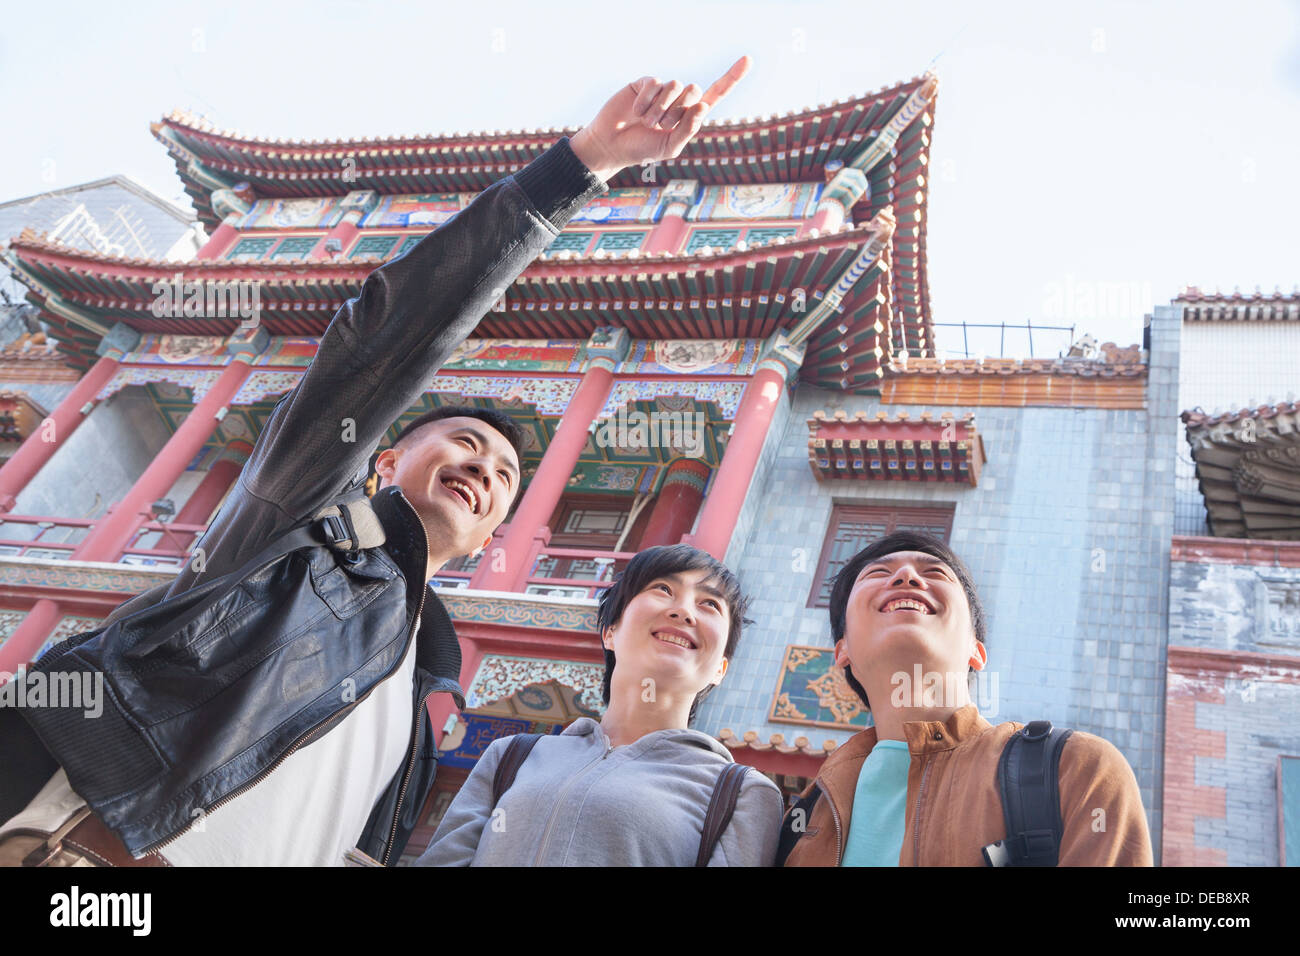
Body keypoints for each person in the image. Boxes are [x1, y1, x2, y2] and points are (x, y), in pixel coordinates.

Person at [0, 56, 753, 867]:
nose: (487, 471)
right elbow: (380, 343)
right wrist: (584, 165)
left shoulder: (425, 673)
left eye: (506, 477)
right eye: (466, 443)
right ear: (385, 458)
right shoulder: (299, 529)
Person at [780, 531, 1153, 867]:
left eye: (936, 574)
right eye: (878, 573)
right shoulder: (802, 819)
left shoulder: (1074, 771)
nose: (906, 576)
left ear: (977, 651)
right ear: (841, 651)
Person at [416, 544, 785, 866]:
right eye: (663, 589)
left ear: (720, 669)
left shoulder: (741, 795)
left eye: (709, 604)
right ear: (610, 631)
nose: (684, 611)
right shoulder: (512, 756)